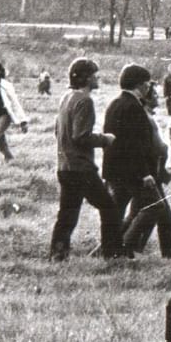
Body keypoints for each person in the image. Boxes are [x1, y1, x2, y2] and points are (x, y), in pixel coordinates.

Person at [49, 57, 121, 260]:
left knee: (67, 215)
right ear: (87, 78)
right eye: (95, 75)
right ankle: (112, 253)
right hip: (81, 168)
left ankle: (57, 255)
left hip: (65, 166)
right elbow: (80, 136)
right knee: (109, 207)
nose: (98, 78)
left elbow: (59, 130)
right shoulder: (85, 101)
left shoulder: (66, 97)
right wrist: (105, 139)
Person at [104, 65, 171, 260]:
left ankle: (109, 251)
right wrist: (145, 174)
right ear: (140, 84)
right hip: (133, 173)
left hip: (116, 171)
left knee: (118, 213)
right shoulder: (134, 107)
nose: (147, 87)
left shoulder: (115, 103)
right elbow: (135, 146)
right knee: (155, 206)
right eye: (146, 83)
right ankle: (125, 247)